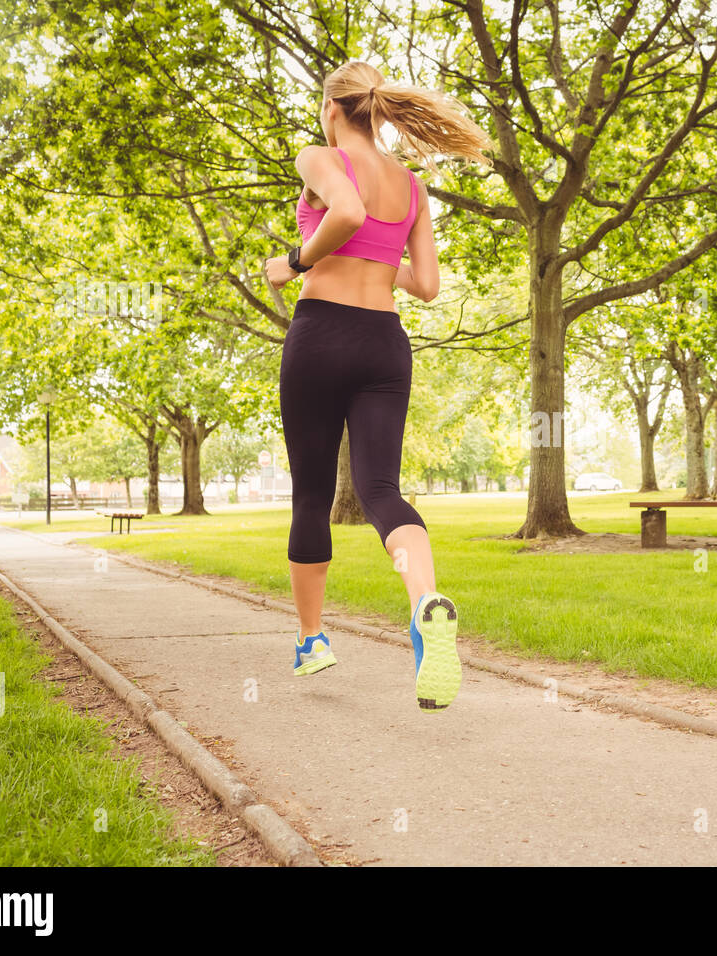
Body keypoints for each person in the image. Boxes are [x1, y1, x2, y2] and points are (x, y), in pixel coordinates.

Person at [264, 61, 492, 711]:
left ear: (334, 110)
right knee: (382, 491)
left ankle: (312, 640)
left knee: (311, 492)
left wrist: (294, 261)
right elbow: (425, 285)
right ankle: (425, 602)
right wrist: (375, 260)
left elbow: (346, 209)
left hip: (320, 334)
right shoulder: (412, 186)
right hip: (383, 344)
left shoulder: (320, 156)